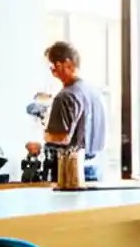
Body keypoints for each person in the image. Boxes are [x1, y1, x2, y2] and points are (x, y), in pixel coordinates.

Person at [42, 42, 108, 182]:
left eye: (53, 67)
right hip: (97, 171)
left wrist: (45, 135)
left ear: (65, 64)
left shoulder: (65, 96)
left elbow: (62, 137)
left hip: (72, 174)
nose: (53, 72)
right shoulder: (96, 93)